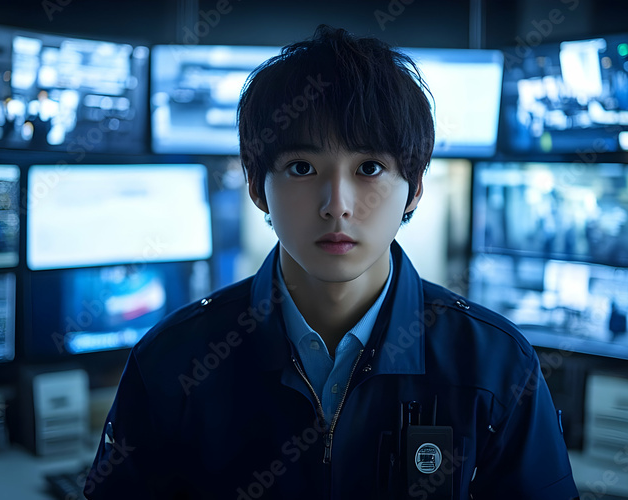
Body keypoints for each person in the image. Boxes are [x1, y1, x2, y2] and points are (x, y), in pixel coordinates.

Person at [85, 25, 578, 499]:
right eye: (302, 168)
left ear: (414, 190)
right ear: (257, 186)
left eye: (370, 168)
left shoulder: (497, 364)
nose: (336, 205)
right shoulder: (171, 362)